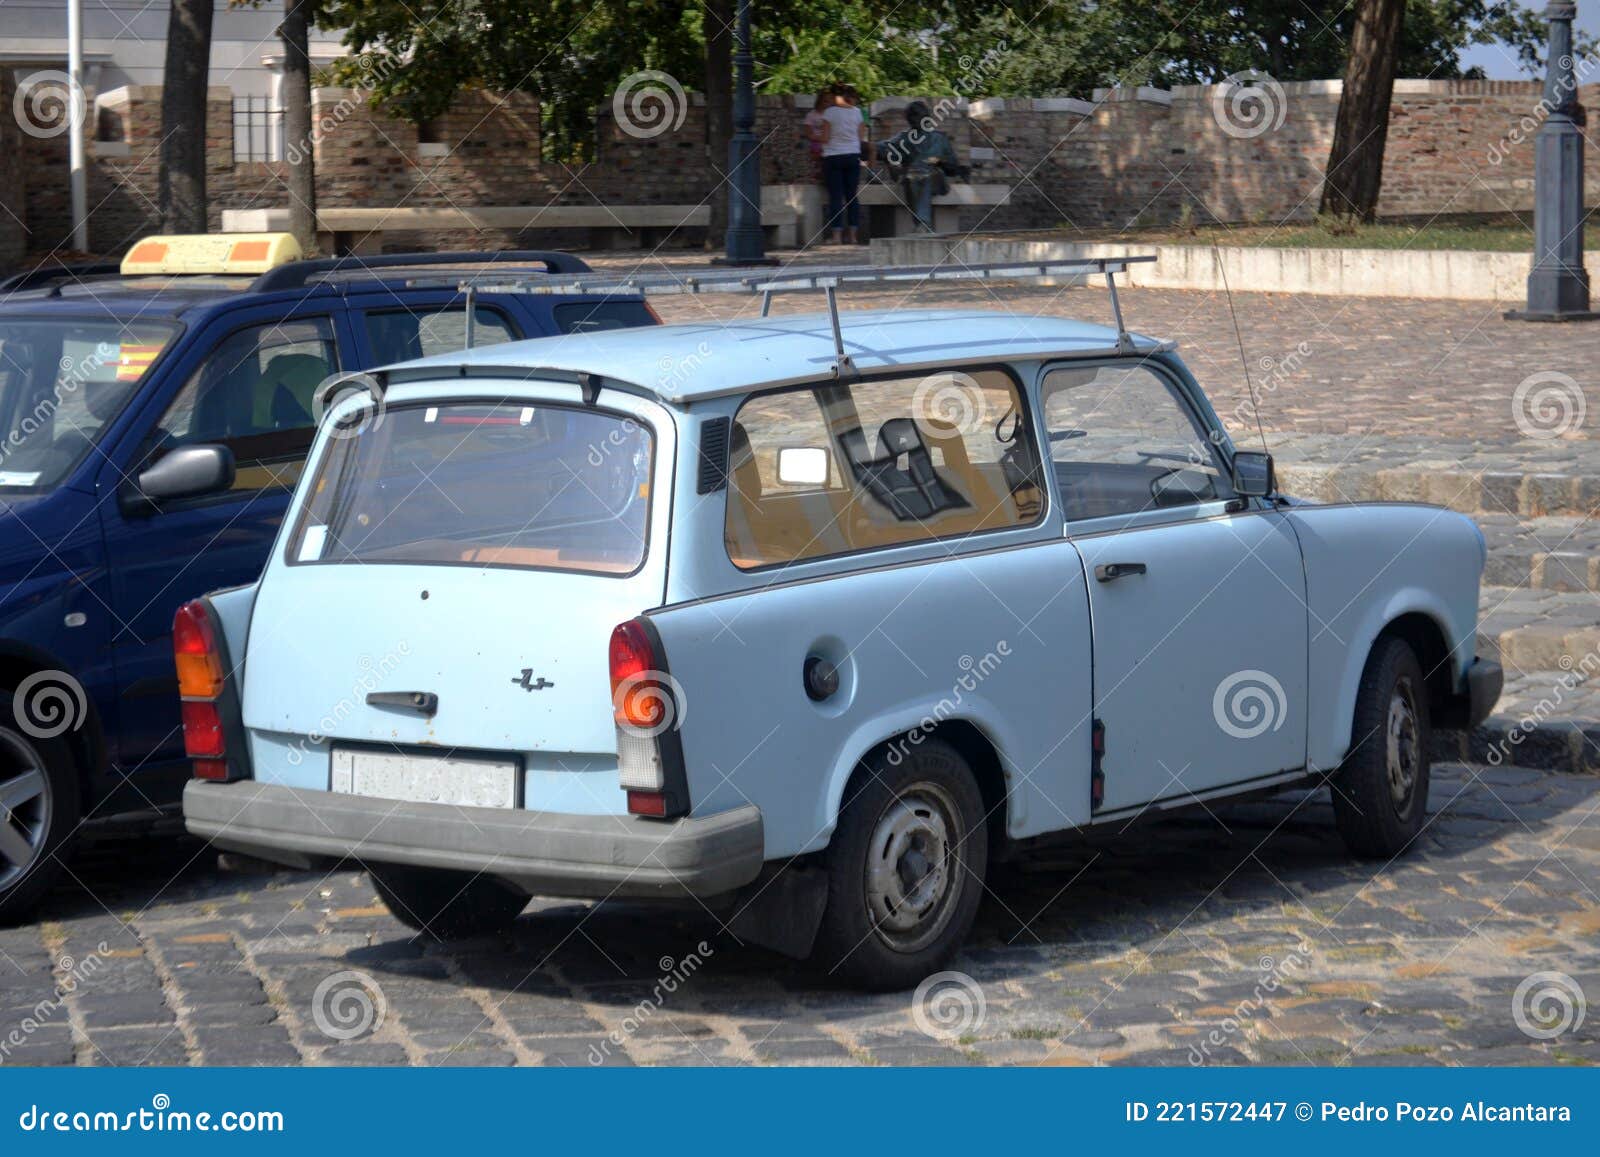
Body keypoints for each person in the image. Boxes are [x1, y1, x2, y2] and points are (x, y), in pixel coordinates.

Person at [881, 101, 964, 234]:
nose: (914, 120)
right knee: (914, 175)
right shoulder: (903, 139)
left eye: (918, 116)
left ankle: (923, 224)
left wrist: (941, 161)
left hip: (935, 178)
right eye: (911, 117)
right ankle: (923, 226)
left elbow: (953, 167)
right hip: (912, 177)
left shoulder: (939, 139)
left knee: (922, 175)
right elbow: (882, 148)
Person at [820, 84, 870, 244]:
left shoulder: (829, 113)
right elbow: (862, 138)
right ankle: (853, 236)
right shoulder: (858, 113)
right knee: (852, 196)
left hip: (833, 157)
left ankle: (837, 237)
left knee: (836, 197)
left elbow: (826, 138)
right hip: (852, 156)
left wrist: (816, 137)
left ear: (836, 96)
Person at [801, 91, 830, 185]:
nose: (828, 103)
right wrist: (821, 139)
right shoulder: (811, 115)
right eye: (825, 101)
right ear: (820, 101)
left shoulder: (831, 115)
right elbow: (808, 134)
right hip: (817, 142)